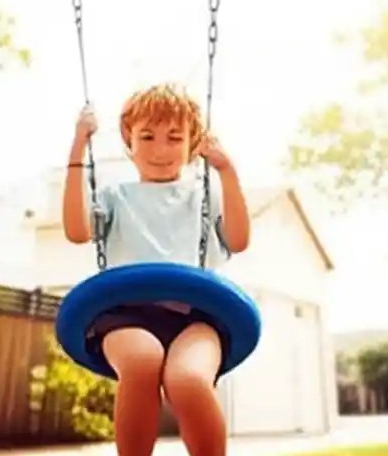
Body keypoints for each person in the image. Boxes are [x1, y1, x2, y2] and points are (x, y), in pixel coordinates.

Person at [62, 84, 251, 456]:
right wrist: (79, 145)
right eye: (147, 137)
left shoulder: (205, 197)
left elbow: (239, 240)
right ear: (129, 142)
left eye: (174, 138)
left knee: (188, 379)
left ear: (193, 144)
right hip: (126, 316)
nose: (160, 149)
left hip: (197, 316)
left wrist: (226, 170)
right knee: (142, 359)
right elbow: (76, 231)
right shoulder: (115, 197)